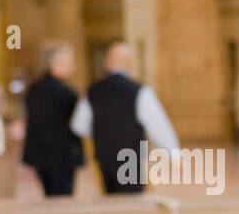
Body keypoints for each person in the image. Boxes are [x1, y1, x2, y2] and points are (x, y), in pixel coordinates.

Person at [70, 41, 179, 194]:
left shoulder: (93, 90)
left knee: (111, 199)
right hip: (131, 157)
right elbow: (158, 125)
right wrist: (173, 152)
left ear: (107, 62)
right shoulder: (139, 91)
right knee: (133, 203)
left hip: (104, 156)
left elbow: (79, 126)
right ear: (130, 62)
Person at [22, 41, 84, 197]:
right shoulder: (66, 92)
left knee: (49, 194)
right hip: (63, 155)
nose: (73, 67)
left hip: (40, 154)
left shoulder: (34, 89)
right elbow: (78, 125)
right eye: (70, 62)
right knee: (62, 197)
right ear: (57, 64)